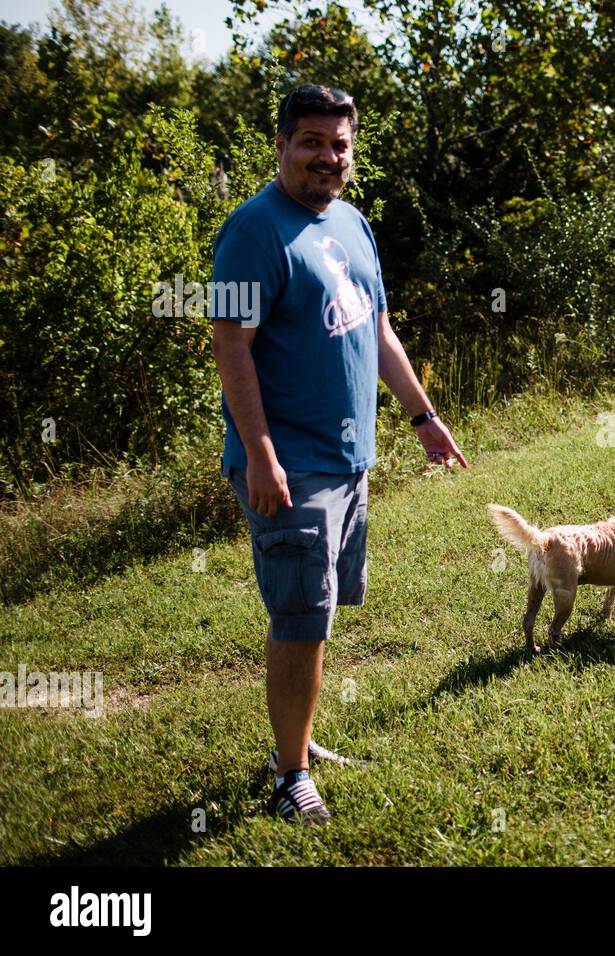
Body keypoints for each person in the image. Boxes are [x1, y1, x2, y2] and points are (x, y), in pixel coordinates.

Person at [210, 85, 468, 823]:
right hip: (290, 464)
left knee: (320, 609)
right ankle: (292, 775)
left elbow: (378, 331)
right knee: (301, 616)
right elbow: (232, 345)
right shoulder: (252, 231)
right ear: (283, 145)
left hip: (350, 458)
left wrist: (422, 416)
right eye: (313, 142)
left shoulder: (352, 223)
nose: (329, 157)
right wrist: (260, 453)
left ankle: (297, 742)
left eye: (340, 144)